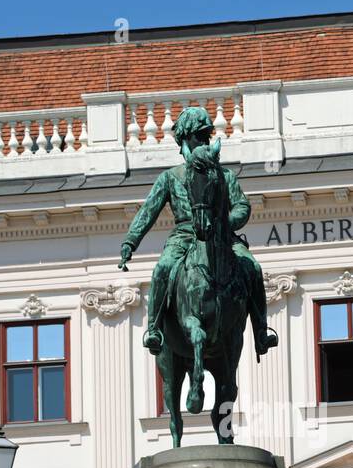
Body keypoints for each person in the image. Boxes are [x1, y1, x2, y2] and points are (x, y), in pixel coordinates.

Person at [119, 106, 277, 357]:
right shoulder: (170, 177)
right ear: (185, 140)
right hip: (184, 236)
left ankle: (261, 331)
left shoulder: (224, 176)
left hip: (222, 237)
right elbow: (148, 211)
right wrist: (130, 241)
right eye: (197, 136)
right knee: (163, 268)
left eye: (206, 135)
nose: (203, 140)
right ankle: (155, 330)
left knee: (252, 267)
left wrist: (225, 223)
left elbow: (242, 206)